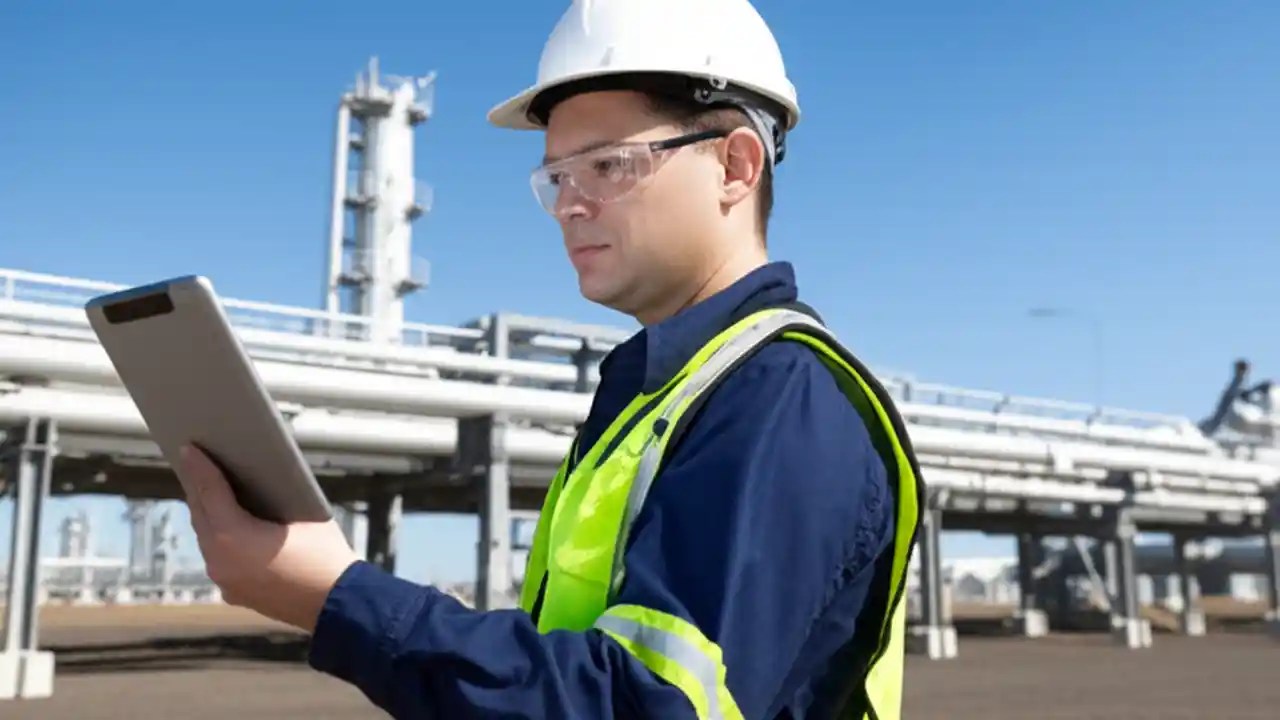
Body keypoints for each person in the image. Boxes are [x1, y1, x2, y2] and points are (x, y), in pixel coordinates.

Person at [174, 0, 924, 718]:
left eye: (607, 165)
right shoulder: (662, 399)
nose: (569, 203)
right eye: (558, 177)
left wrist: (337, 597)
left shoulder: (782, 398)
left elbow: (642, 707)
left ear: (735, 166)